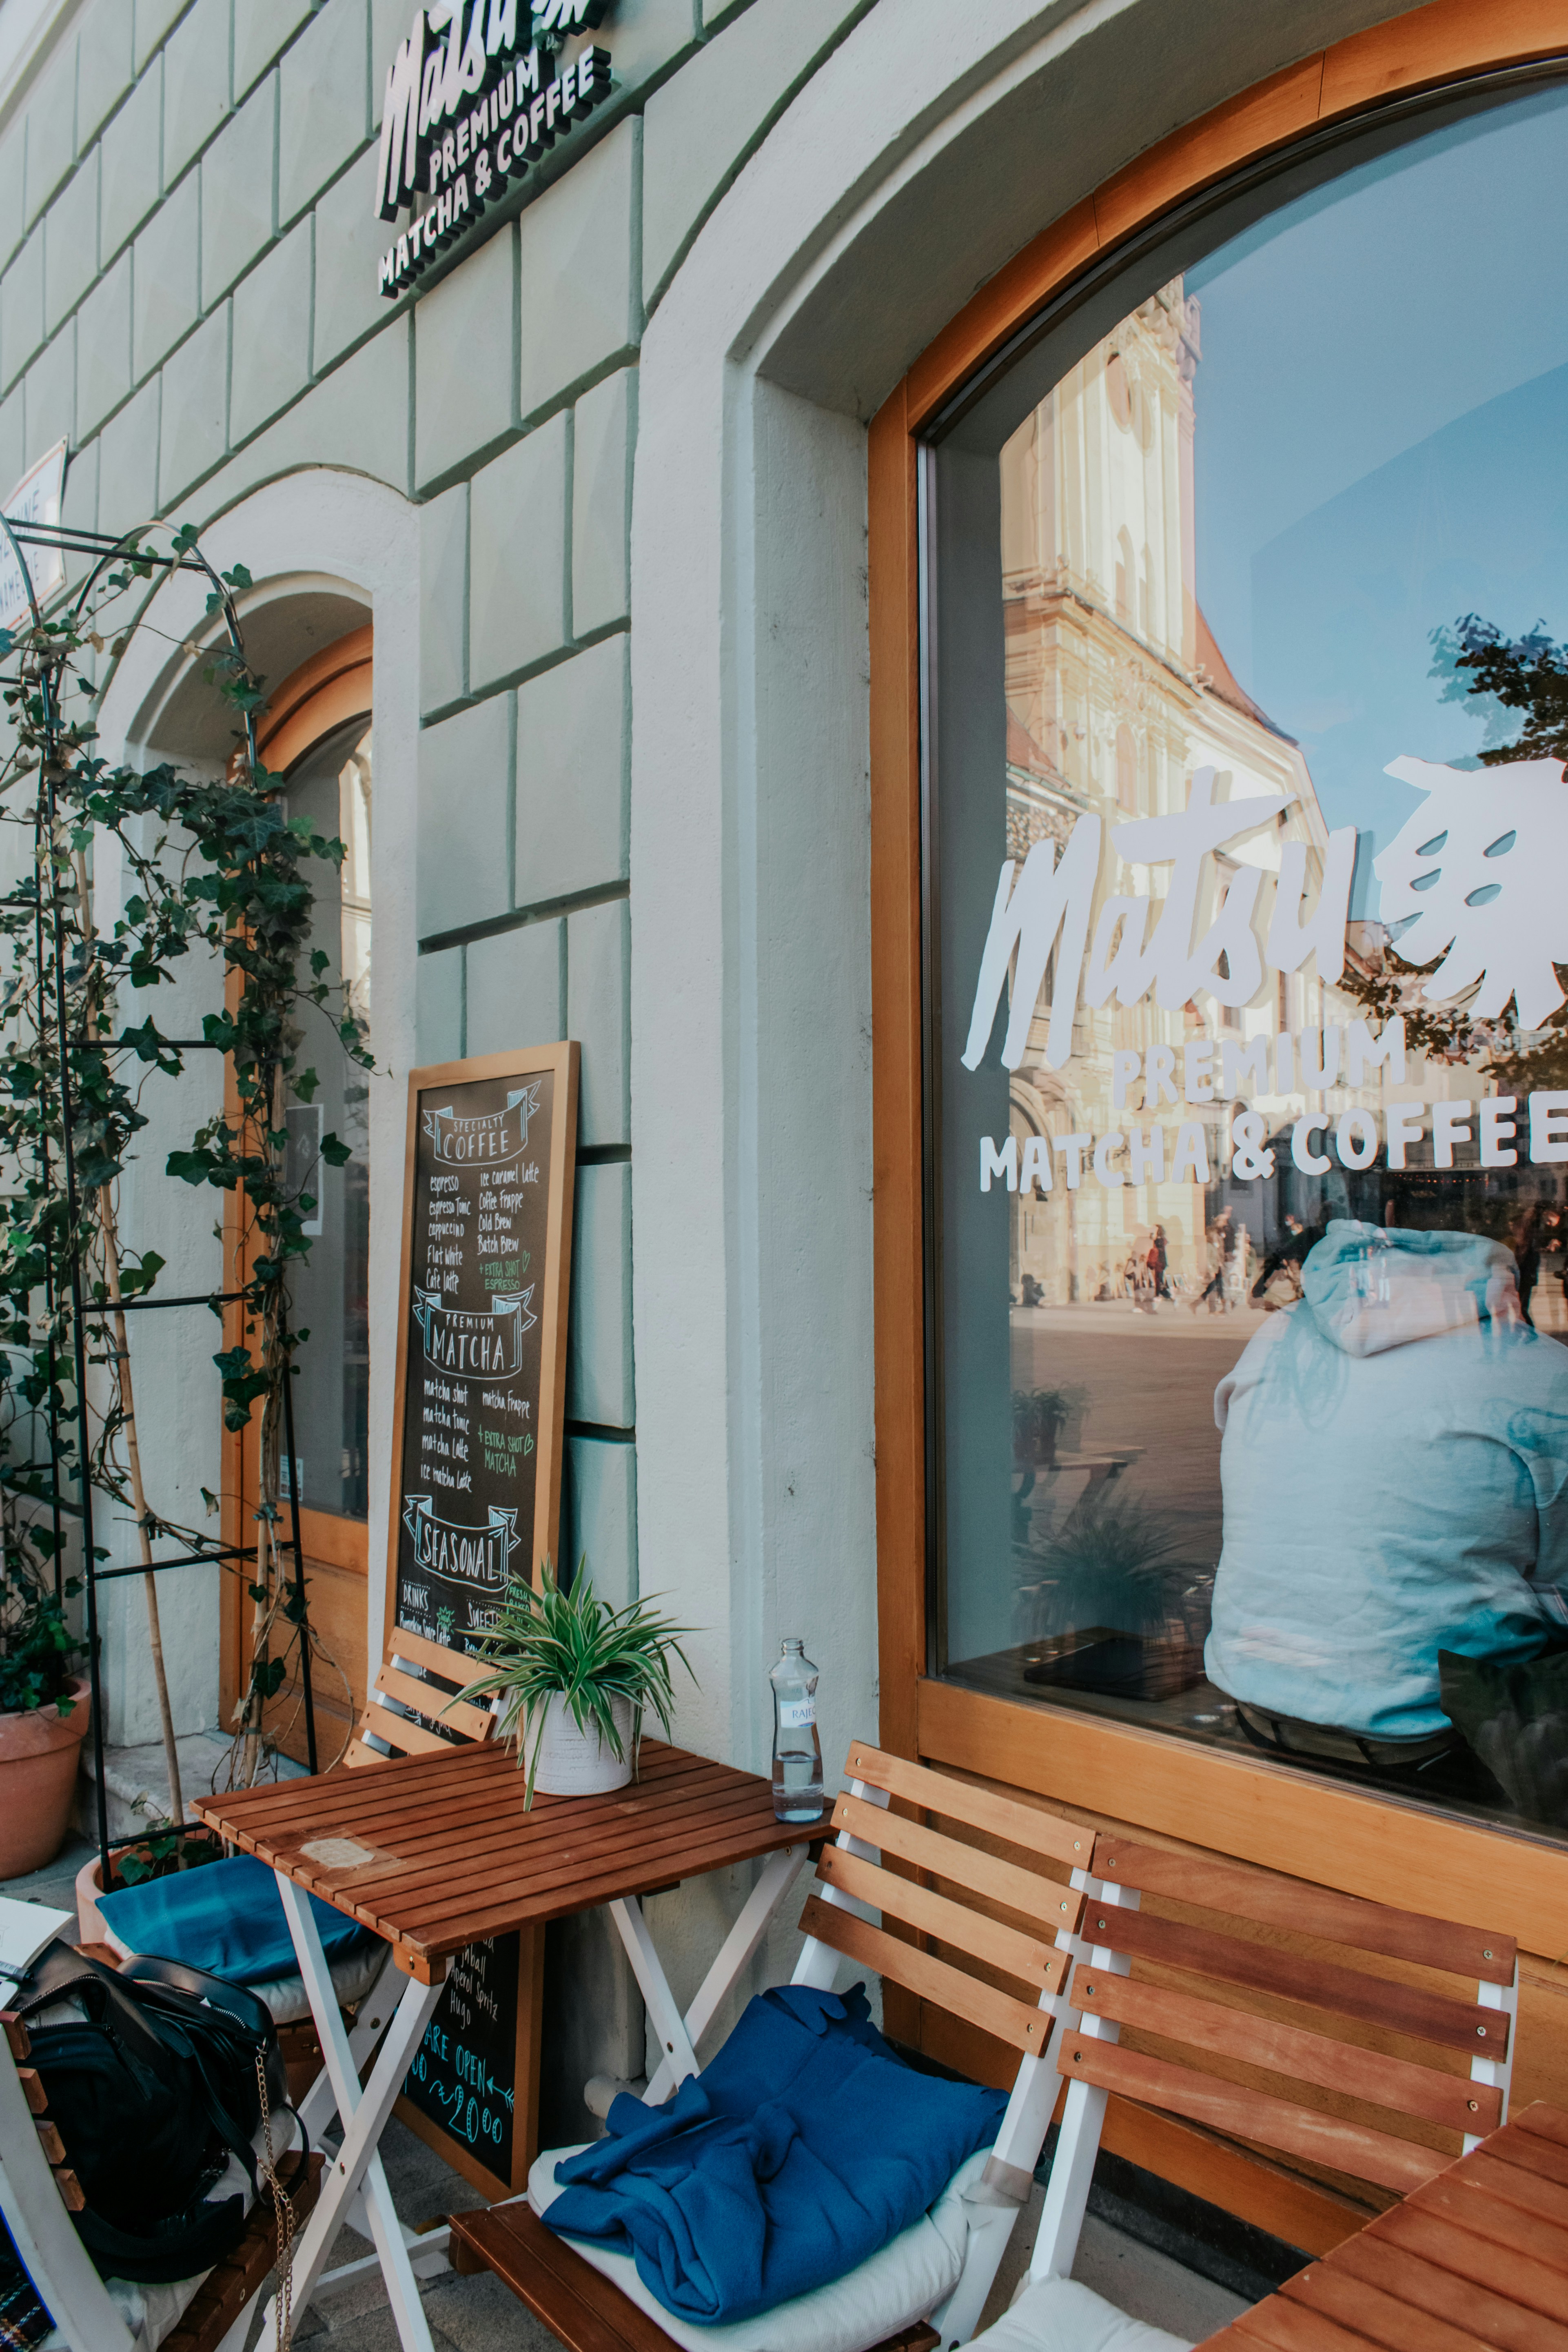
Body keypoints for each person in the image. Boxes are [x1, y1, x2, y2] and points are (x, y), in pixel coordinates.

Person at [1206, 1220, 1568, 1775]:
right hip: (1438, 1735)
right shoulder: (1540, 1371)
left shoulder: (1273, 1341)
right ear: (1506, 1279)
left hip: (1255, 1698)